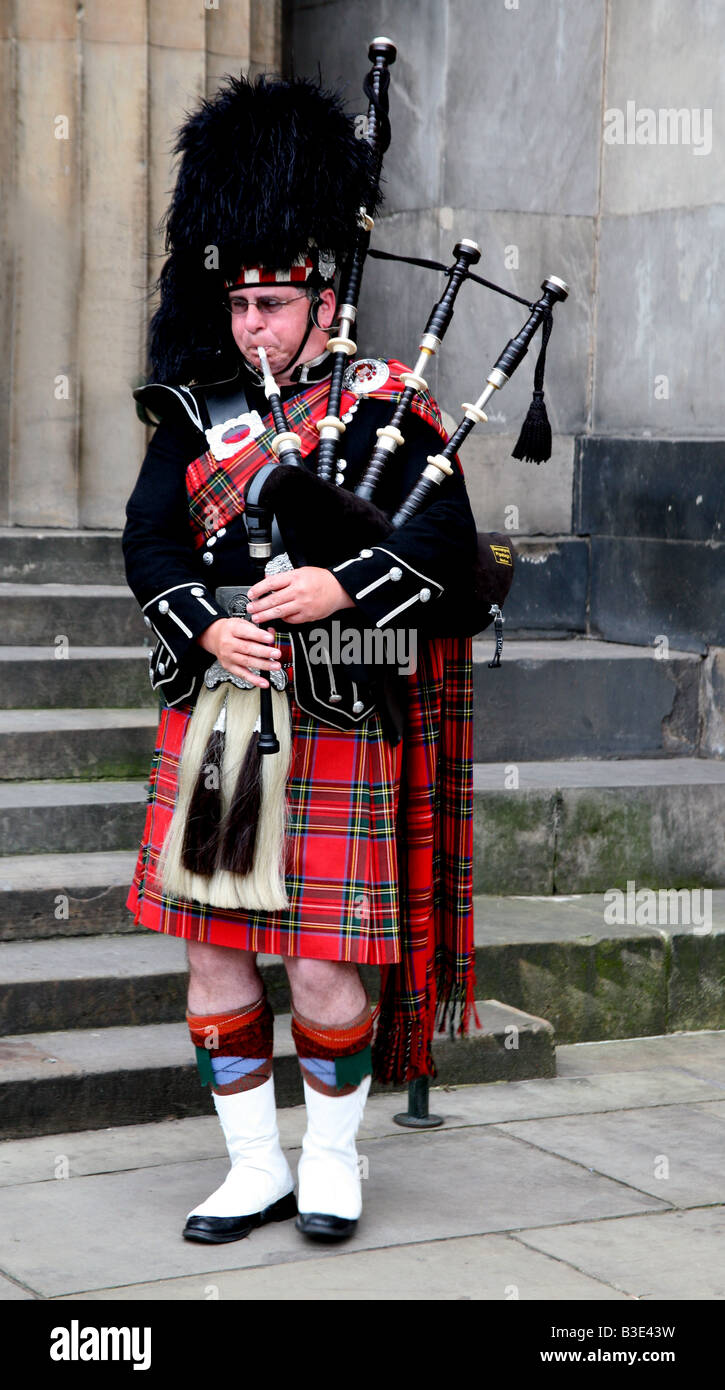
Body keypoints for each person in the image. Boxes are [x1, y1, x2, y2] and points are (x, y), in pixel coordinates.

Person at [122, 69, 478, 1246]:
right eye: (238, 305)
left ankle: (331, 1162)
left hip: (332, 717)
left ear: (326, 296)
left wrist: (336, 583)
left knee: (325, 968)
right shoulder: (194, 409)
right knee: (217, 951)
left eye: (273, 303)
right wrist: (201, 617)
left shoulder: (392, 408)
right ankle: (248, 1167)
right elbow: (150, 541)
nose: (252, 325)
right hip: (224, 712)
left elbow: (451, 565)